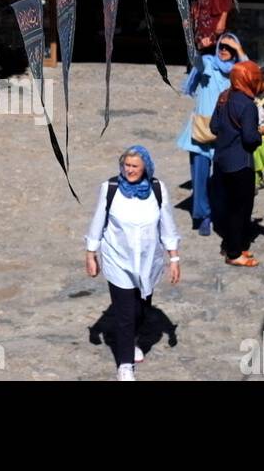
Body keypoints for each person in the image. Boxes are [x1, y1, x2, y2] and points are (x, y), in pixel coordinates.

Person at [85, 146, 181, 381]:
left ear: (145, 167)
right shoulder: (110, 189)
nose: (129, 170)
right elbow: (98, 220)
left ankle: (132, 339)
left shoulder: (158, 190)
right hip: (118, 260)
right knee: (125, 313)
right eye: (126, 165)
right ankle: (125, 364)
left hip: (148, 262)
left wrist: (174, 258)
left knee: (141, 309)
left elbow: (167, 224)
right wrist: (90, 253)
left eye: (134, 166)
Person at [177, 34, 249, 236]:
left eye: (229, 47)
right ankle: (203, 216)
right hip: (201, 131)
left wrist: (241, 51)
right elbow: (195, 63)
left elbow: (255, 76)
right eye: (222, 46)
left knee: (222, 179)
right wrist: (200, 48)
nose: (224, 50)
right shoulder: (208, 64)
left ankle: (220, 212)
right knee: (199, 178)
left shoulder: (238, 71)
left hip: (226, 134)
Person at [210, 61, 263, 267]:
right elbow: (250, 138)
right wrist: (260, 135)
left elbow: (214, 126)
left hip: (222, 161)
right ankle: (233, 253)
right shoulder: (248, 105)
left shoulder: (224, 96)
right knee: (240, 209)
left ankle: (233, 244)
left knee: (229, 207)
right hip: (241, 164)